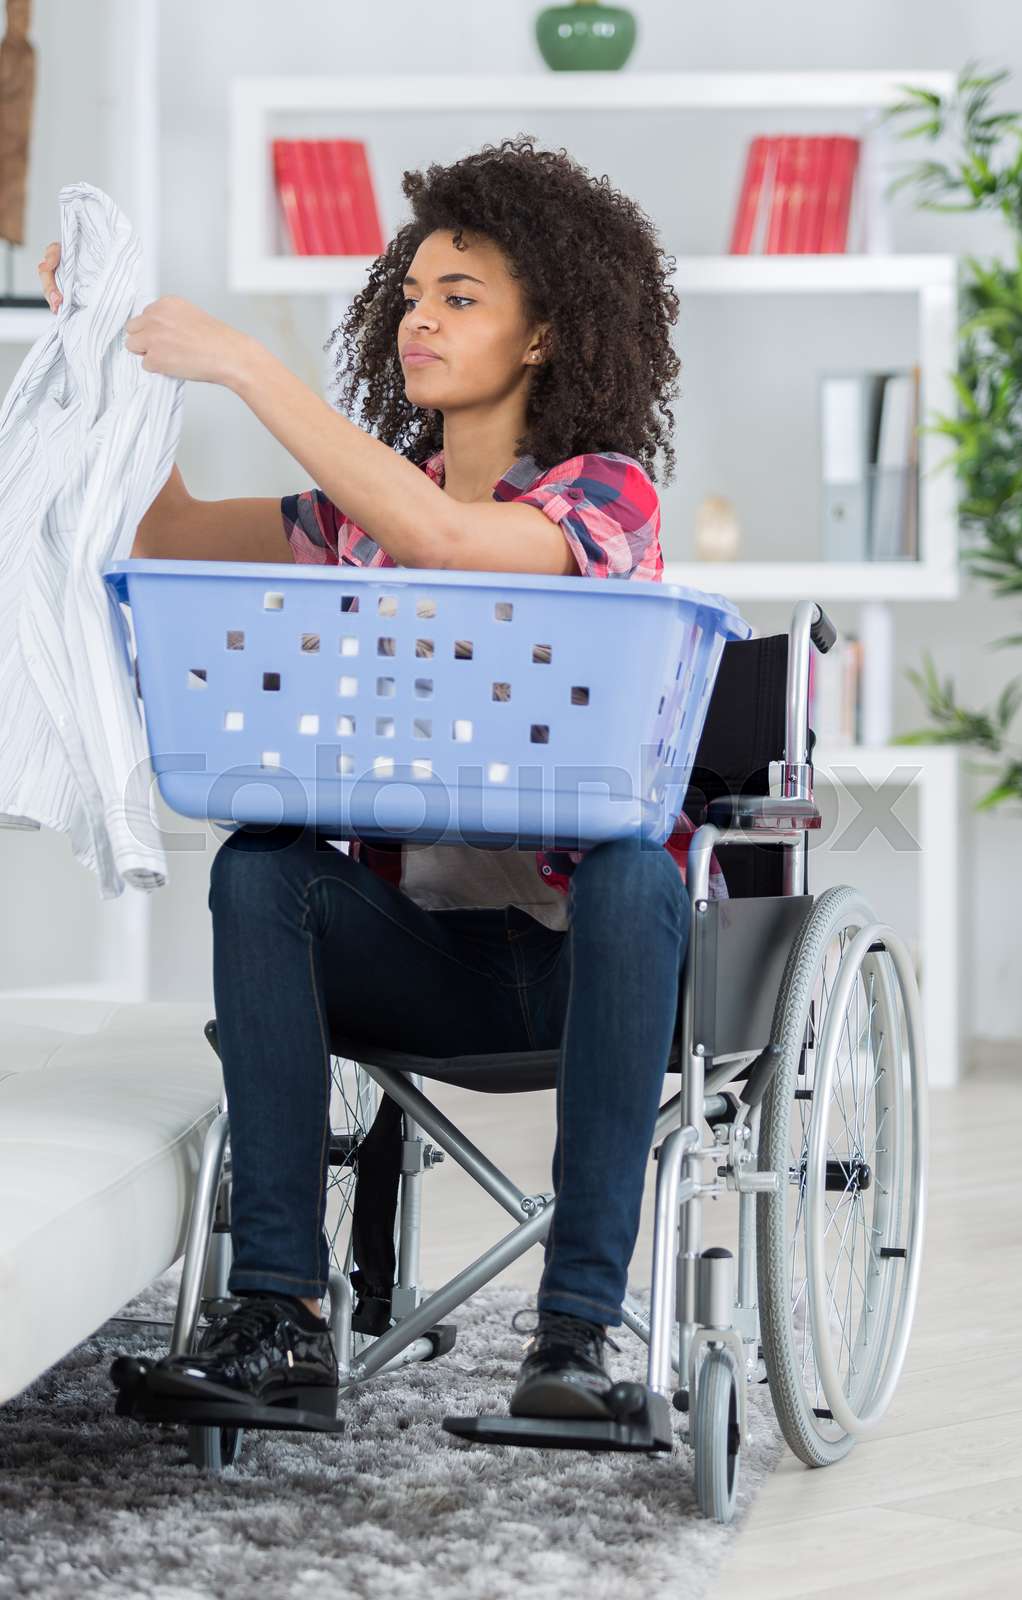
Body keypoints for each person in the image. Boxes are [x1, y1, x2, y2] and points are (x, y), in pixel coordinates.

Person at [40, 137, 724, 1427]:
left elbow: (457, 546)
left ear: (541, 338)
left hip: (594, 964)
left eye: (459, 297)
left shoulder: (607, 497)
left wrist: (247, 364)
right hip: (432, 962)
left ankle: (577, 1340)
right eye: (412, 294)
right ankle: (281, 1316)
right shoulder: (364, 510)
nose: (420, 316)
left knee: (638, 877)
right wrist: (106, 351)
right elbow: (165, 530)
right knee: (261, 868)